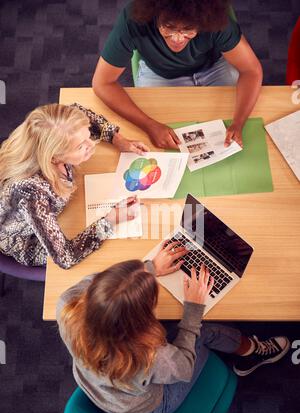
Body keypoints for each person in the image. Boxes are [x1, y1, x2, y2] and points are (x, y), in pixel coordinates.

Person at [56, 242, 290, 413]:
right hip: (149, 411)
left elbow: (108, 288)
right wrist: (193, 307)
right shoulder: (150, 357)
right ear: (137, 322)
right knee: (204, 329)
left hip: (109, 398)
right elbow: (183, 368)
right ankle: (253, 353)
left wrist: (149, 269)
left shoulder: (67, 306)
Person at [92, 0, 263, 150]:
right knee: (155, 138)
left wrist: (238, 123)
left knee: (237, 118)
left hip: (213, 67)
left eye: (188, 29)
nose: (178, 38)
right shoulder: (132, 20)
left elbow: (251, 71)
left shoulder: (216, 21)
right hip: (160, 74)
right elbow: (102, 83)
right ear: (154, 14)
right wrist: (149, 125)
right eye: (169, 27)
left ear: (202, 21)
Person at [0, 102, 149, 269]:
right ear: (54, 157)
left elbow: (81, 113)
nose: (91, 145)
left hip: (52, 214)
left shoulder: (54, 126)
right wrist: (110, 220)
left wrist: (117, 139)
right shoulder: (31, 193)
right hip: (28, 240)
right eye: (80, 146)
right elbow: (66, 257)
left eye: (88, 136)